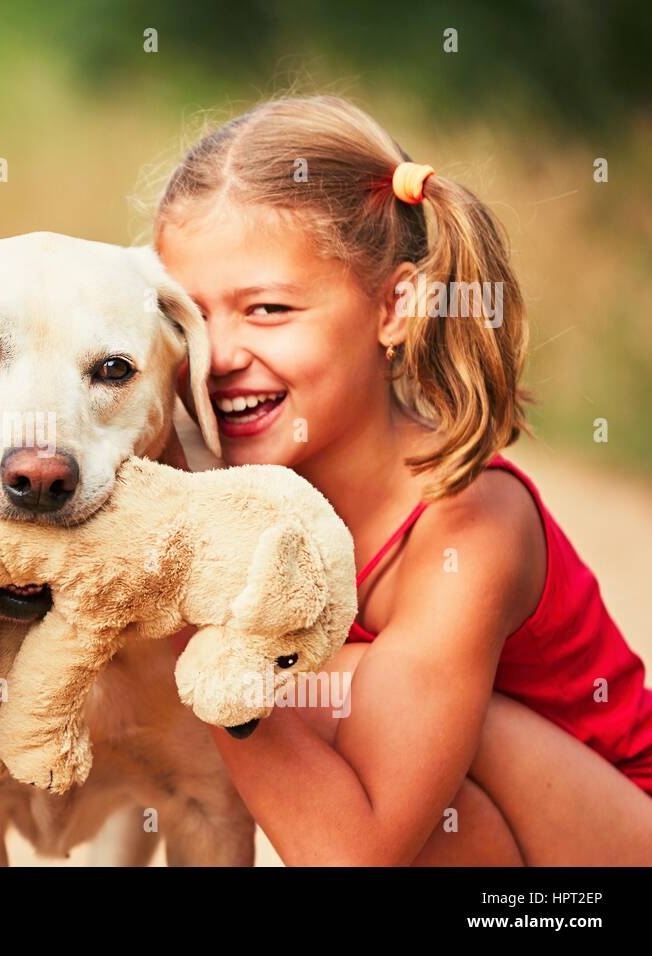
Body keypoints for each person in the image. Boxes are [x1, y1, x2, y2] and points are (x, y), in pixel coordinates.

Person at [155, 94, 652, 865]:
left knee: (360, 701)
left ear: (395, 307)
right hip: (487, 846)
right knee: (358, 704)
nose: (218, 356)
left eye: (269, 309)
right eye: (191, 316)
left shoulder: (468, 521)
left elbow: (352, 855)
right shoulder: (221, 481)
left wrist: (194, 620)